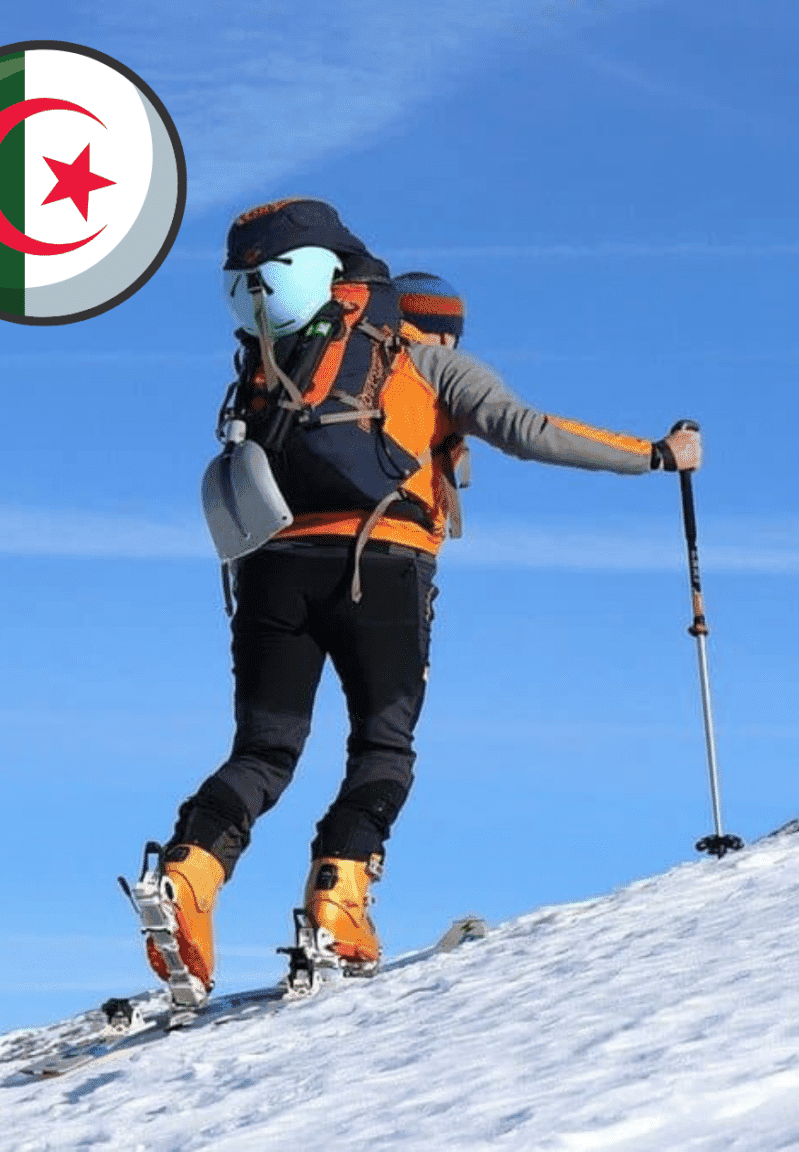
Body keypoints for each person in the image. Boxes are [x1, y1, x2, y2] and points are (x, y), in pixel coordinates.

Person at [147, 199, 701, 995]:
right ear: (439, 325)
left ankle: (189, 876)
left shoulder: (287, 356)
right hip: (383, 567)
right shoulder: (427, 362)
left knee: (265, 751)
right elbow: (528, 427)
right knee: (383, 746)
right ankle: (338, 905)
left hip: (271, 563)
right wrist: (655, 454)